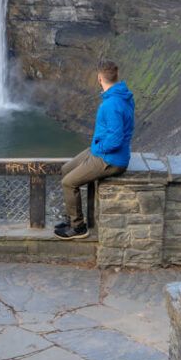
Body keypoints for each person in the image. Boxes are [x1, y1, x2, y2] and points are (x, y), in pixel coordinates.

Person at [55, 59, 134, 240]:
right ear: (116, 76)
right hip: (102, 151)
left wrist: (98, 147)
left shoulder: (111, 104)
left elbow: (115, 140)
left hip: (110, 159)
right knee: (66, 169)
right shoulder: (122, 95)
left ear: (99, 78)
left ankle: (78, 227)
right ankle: (70, 216)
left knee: (69, 182)